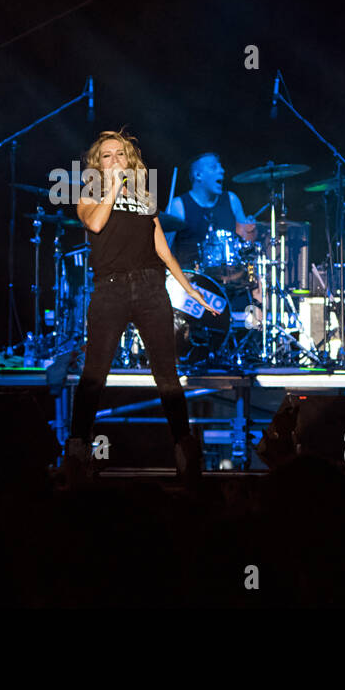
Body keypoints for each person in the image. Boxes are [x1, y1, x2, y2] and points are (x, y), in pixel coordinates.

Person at [66, 130, 216, 487]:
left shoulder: (144, 197)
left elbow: (161, 246)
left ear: (129, 159)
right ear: (97, 164)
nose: (114, 159)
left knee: (166, 374)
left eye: (120, 153)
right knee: (94, 374)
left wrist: (188, 287)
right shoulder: (87, 195)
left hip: (151, 286)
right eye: (107, 155)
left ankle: (185, 452)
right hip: (111, 289)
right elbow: (97, 224)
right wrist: (114, 188)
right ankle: (76, 454)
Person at [165, 152, 257, 270]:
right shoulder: (178, 206)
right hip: (190, 279)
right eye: (214, 167)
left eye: (221, 166)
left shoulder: (231, 199)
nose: (222, 170)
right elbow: (165, 250)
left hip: (230, 276)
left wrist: (250, 230)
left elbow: (246, 244)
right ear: (198, 175)